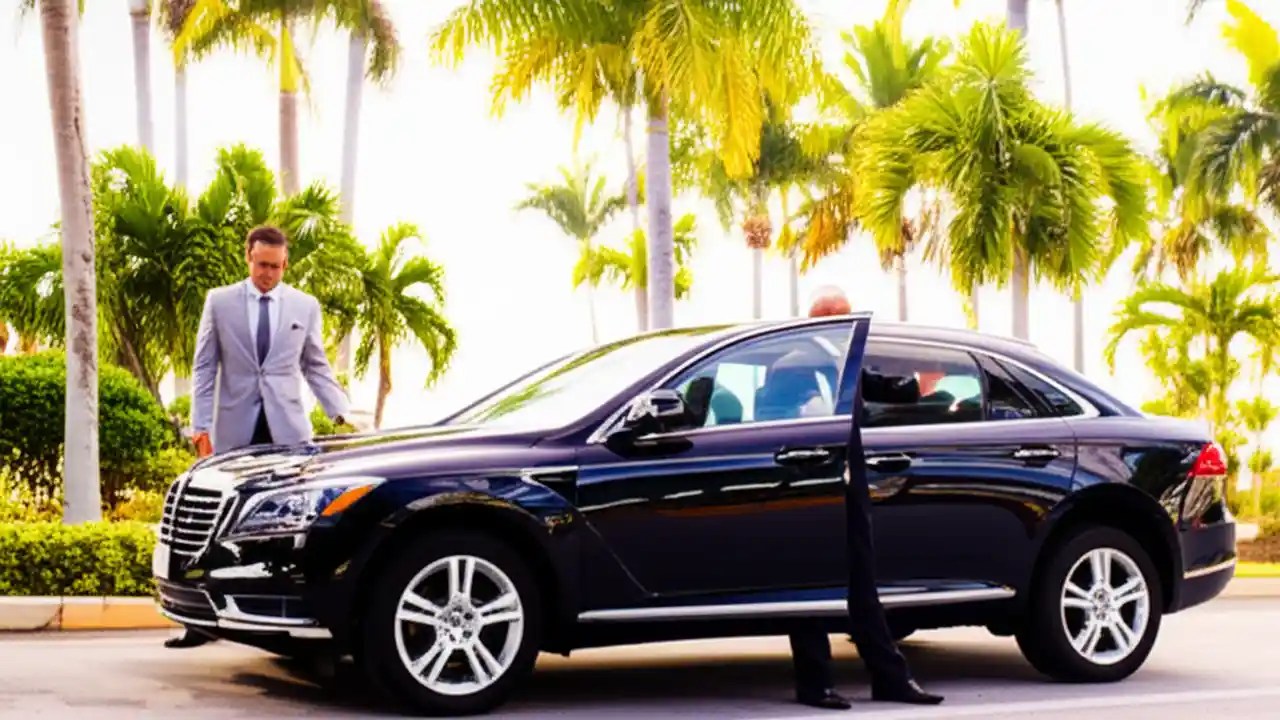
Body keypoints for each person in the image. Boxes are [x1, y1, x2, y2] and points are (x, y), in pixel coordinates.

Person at [166, 225, 356, 649]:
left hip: (287, 429)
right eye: (261, 264)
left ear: (285, 264)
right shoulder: (220, 301)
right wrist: (201, 426)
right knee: (216, 524)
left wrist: (340, 411)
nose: (267, 273)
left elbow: (315, 365)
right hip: (235, 428)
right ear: (248, 258)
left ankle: (277, 617)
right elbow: (204, 366)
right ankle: (198, 623)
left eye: (275, 266)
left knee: (284, 525)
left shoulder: (304, 306)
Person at [785, 285, 943, 709]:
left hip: (847, 486)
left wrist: (916, 387)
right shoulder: (793, 361)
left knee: (861, 585)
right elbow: (781, 412)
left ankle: (889, 678)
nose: (851, 328)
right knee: (814, 584)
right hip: (810, 484)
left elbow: (874, 386)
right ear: (825, 318)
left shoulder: (840, 360)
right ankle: (815, 683)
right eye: (843, 318)